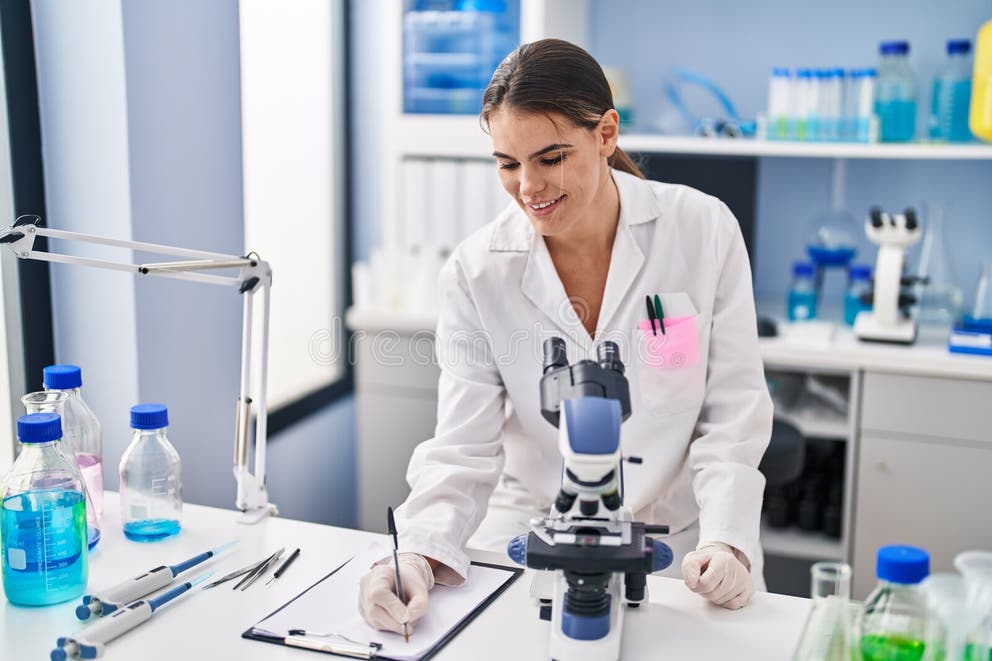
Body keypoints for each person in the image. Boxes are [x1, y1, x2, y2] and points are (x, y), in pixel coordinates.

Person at [359, 39, 772, 635]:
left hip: (673, 542)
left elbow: (732, 411)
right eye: (507, 163)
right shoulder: (478, 271)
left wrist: (727, 540)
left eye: (550, 158)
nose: (528, 186)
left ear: (606, 134)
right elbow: (463, 446)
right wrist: (415, 554)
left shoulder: (702, 229)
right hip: (533, 531)